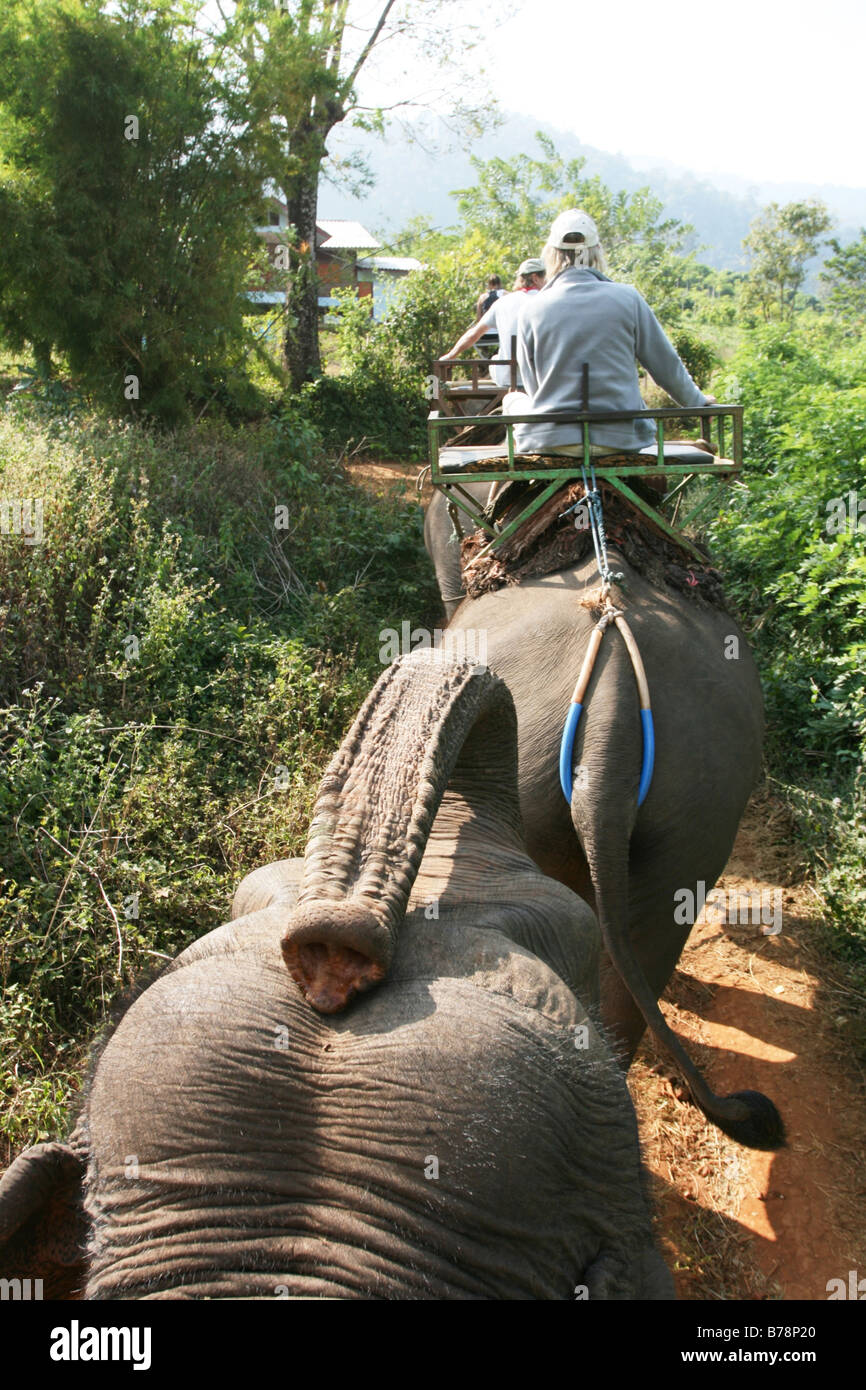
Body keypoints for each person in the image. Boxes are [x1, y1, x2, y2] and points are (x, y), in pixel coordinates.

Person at [510, 210, 714, 457]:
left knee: (513, 400)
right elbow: (666, 367)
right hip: (621, 439)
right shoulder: (628, 298)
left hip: (553, 440)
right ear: (597, 252)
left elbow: (533, 384)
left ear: (551, 255)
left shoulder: (531, 307)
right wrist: (697, 402)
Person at [441, 259, 546, 389]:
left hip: (508, 378)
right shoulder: (549, 301)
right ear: (535, 278)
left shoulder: (503, 302)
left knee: (495, 359)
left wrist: (451, 355)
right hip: (543, 379)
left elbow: (474, 333)